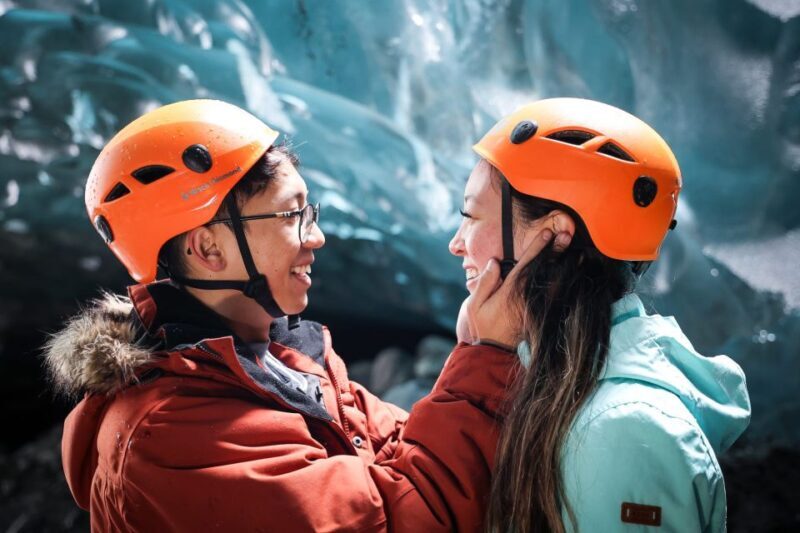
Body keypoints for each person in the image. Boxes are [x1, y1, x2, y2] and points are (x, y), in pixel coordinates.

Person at [43, 99, 552, 532]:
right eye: (292, 215)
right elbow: (406, 517)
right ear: (208, 248)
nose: (316, 237)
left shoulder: (279, 359)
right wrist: (486, 355)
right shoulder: (171, 435)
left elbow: (407, 453)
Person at [449, 98, 752, 532]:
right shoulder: (559, 388)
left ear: (554, 236)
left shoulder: (625, 432)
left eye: (470, 215)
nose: (456, 243)